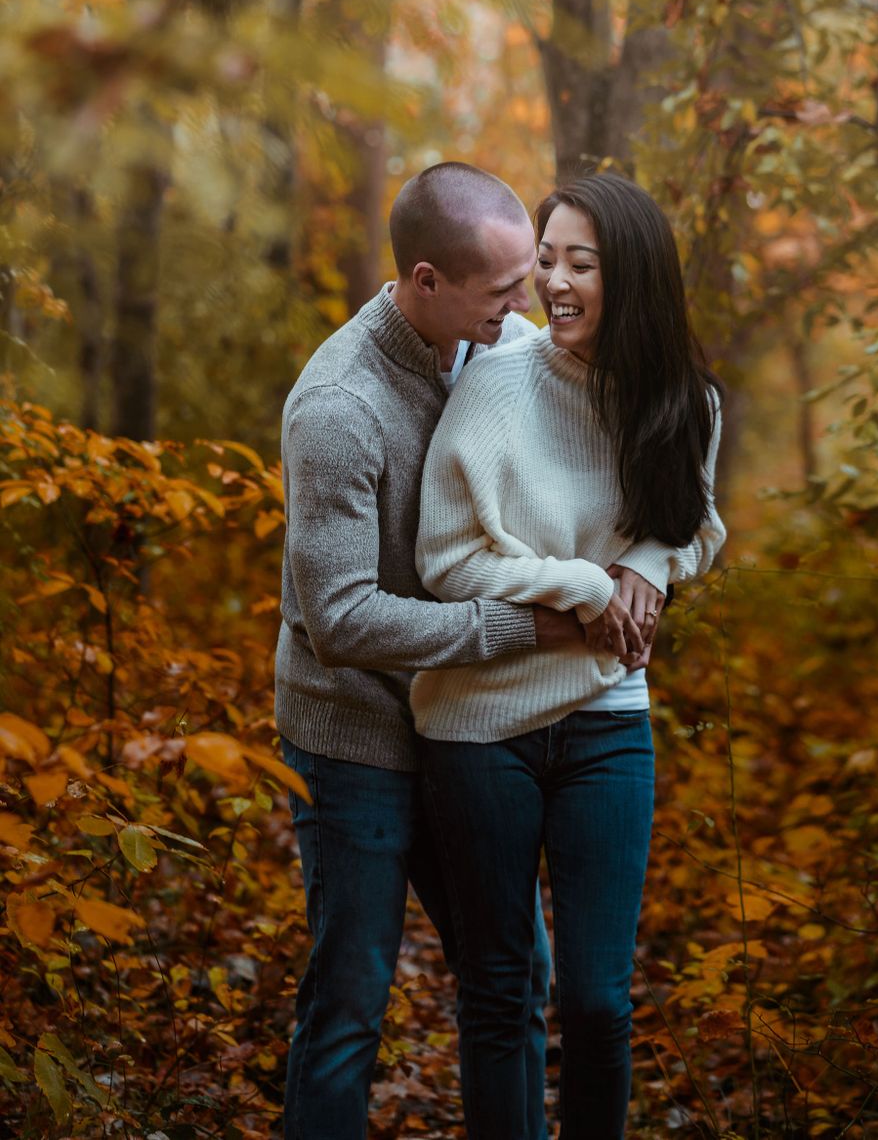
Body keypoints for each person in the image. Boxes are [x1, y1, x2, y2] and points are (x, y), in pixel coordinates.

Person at [275, 163, 594, 1140]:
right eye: (501, 289)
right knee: (351, 1001)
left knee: (516, 972)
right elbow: (341, 618)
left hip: (461, 724)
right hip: (358, 737)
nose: (524, 304)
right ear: (423, 281)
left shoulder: (493, 348)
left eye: (523, 282)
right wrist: (510, 630)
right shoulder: (339, 405)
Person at [412, 172, 727, 1140]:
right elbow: (445, 561)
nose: (552, 283)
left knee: (597, 998)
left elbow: (693, 528)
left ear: (627, 276)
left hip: (605, 721)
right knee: (500, 989)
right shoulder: (494, 381)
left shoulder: (682, 402)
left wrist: (644, 566)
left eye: (577, 263)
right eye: (544, 260)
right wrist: (592, 587)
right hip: (479, 726)